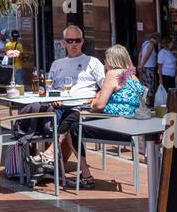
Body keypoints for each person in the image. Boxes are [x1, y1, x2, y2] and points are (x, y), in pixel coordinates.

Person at [55, 45, 148, 188]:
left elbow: (100, 106)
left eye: (106, 59)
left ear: (111, 60)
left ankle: (58, 157)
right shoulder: (133, 77)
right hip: (130, 129)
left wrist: (87, 112)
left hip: (113, 126)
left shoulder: (113, 74)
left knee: (73, 119)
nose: (105, 63)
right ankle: (81, 172)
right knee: (74, 121)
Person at [47, 26, 106, 95]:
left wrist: (97, 96)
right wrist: (54, 99)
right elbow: (49, 88)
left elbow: (106, 86)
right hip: (61, 104)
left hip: (86, 104)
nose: (74, 44)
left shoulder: (93, 62)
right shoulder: (56, 64)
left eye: (78, 40)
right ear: (64, 42)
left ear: (82, 42)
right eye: (70, 41)